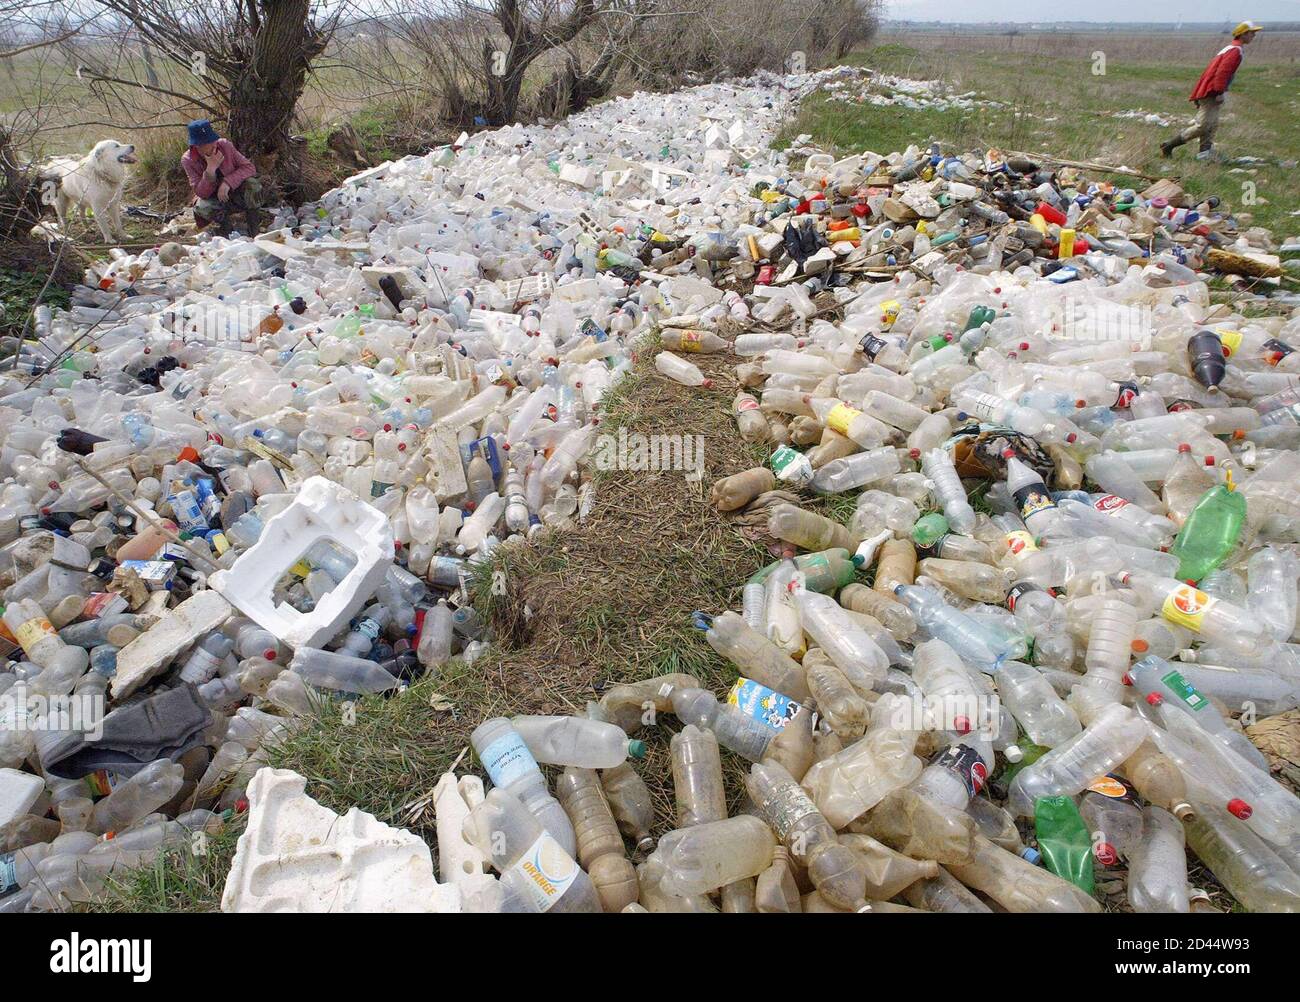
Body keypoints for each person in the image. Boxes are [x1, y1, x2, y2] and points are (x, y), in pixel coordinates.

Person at [1161, 22, 1262, 161]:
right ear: (1243, 34)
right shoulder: (1235, 50)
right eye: (1252, 33)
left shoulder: (1233, 48)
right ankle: (1168, 145)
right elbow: (1222, 73)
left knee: (1212, 124)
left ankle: (1205, 153)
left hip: (1210, 90)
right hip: (1211, 91)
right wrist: (1219, 92)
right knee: (1203, 126)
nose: (1254, 35)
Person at [181, 119, 263, 236]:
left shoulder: (224, 145)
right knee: (202, 206)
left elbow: (249, 168)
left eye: (213, 140)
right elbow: (201, 193)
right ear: (197, 146)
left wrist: (227, 182)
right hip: (214, 200)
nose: (213, 144)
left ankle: (254, 230)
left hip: (234, 193)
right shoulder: (188, 160)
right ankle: (227, 233)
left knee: (253, 184)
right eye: (207, 143)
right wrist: (210, 170)